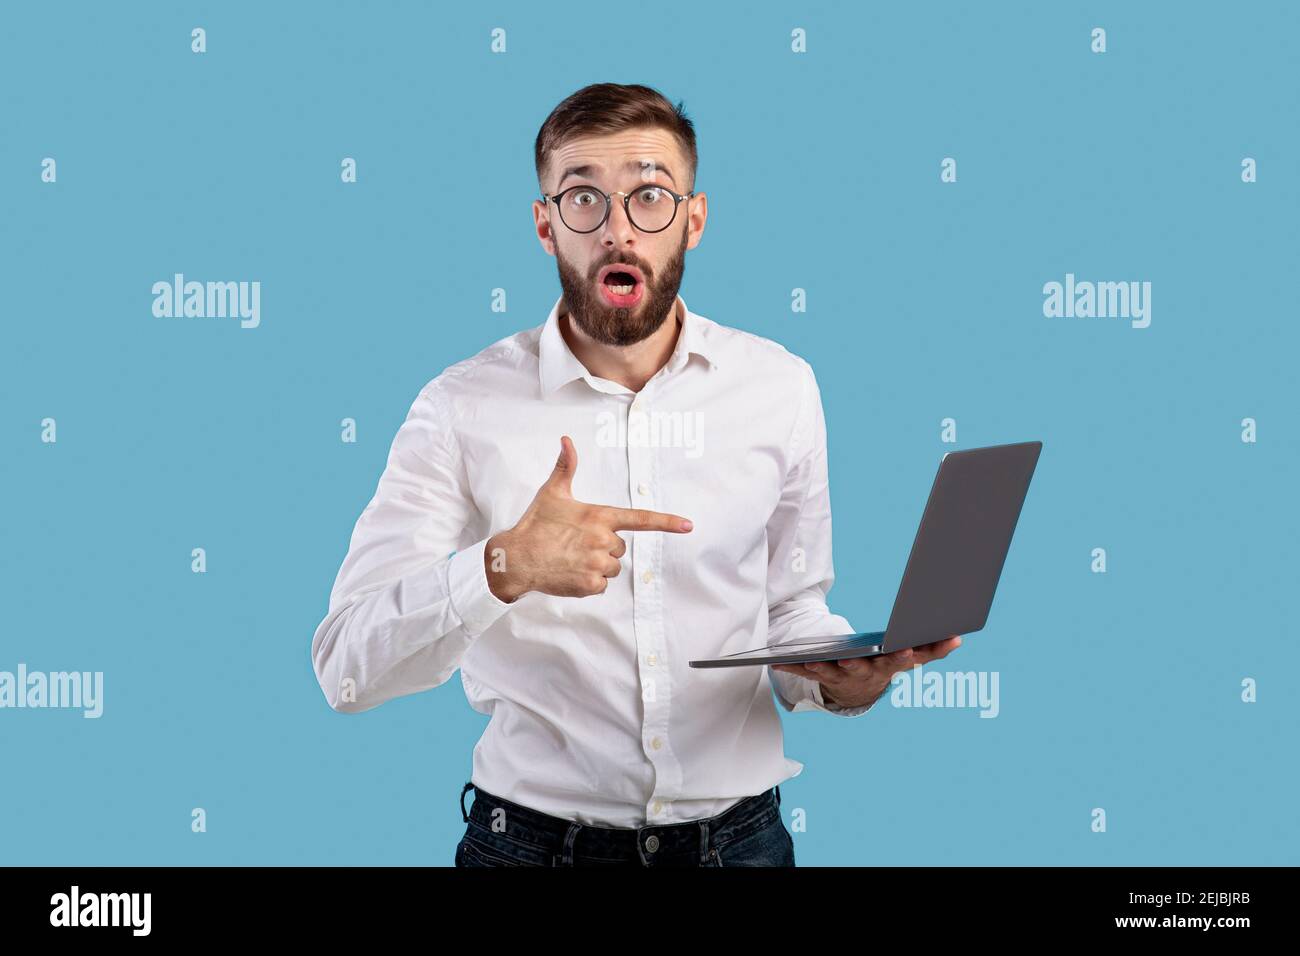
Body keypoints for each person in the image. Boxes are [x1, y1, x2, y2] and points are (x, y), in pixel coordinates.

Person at [311, 82, 960, 867]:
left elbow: (791, 613)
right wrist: (503, 566)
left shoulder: (779, 386)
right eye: (584, 198)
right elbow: (346, 668)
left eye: (649, 196)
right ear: (546, 226)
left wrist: (849, 678)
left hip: (742, 846)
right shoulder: (459, 407)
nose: (618, 231)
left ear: (694, 218)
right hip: (531, 850)